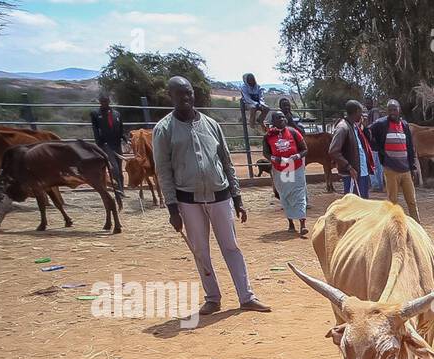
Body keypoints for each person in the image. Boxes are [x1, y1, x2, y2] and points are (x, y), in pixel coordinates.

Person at [153, 76, 270, 316]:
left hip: (221, 196)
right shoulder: (163, 130)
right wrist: (172, 209)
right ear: (171, 97)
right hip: (188, 201)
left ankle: (246, 297)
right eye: (180, 94)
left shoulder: (211, 124)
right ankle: (213, 298)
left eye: (189, 93)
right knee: (201, 251)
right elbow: (163, 171)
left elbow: (226, 162)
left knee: (231, 247)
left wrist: (237, 198)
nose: (186, 98)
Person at [369, 98, 419, 220]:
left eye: (394, 109)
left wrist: (412, 167)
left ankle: (418, 226)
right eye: (389, 110)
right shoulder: (381, 124)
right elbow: (367, 132)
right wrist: (377, 147)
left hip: (405, 170)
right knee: (392, 202)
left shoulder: (405, 125)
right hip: (391, 170)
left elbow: (410, 147)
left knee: (411, 201)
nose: (392, 112)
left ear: (399, 110)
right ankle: (393, 227)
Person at [263, 110, 307, 236]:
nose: (282, 119)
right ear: (273, 121)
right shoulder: (268, 136)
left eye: (283, 117)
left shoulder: (293, 132)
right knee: (285, 195)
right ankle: (290, 223)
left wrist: (297, 156)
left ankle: (302, 224)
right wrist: (274, 159)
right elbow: (265, 153)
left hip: (295, 166)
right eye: (278, 118)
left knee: (299, 193)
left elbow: (304, 149)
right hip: (280, 168)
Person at [331, 100, 375, 199]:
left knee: (362, 203)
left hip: (362, 172)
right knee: (353, 205)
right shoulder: (343, 128)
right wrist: (349, 167)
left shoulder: (354, 126)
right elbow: (333, 151)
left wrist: (365, 126)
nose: (362, 114)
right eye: (361, 111)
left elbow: (368, 141)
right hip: (353, 174)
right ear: (356, 111)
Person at [90, 92, 126, 204]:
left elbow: (120, 128)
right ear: (100, 102)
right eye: (102, 101)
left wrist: (124, 138)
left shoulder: (116, 114)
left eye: (106, 101)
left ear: (109, 101)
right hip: (106, 144)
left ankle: (121, 189)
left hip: (116, 143)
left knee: (119, 167)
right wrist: (99, 143)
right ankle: (118, 190)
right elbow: (95, 130)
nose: (104, 103)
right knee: (113, 167)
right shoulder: (96, 114)